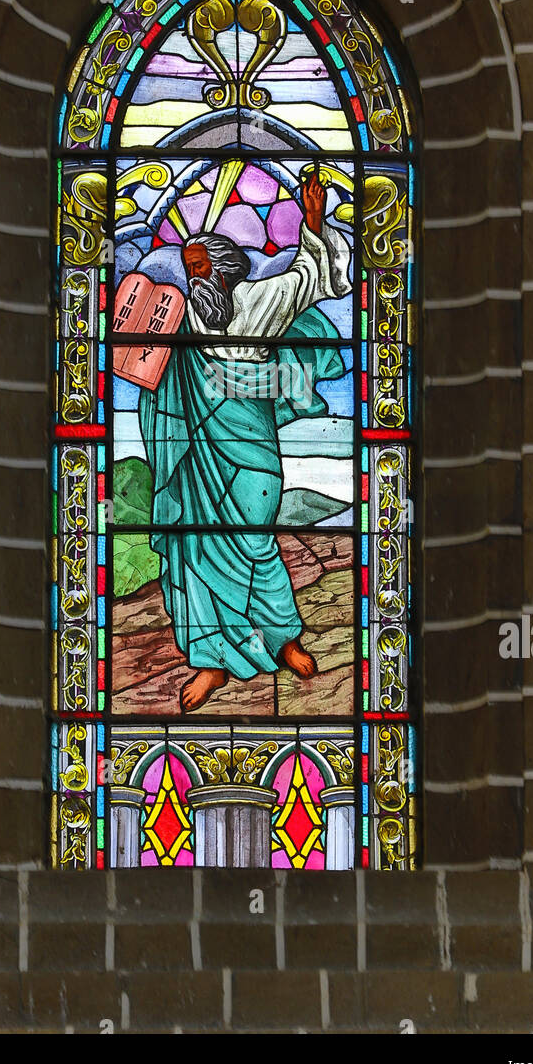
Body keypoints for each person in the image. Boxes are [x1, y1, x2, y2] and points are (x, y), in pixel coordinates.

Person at [138, 172, 351, 712]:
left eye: (199, 267)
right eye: (187, 271)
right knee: (197, 543)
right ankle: (211, 661)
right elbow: (148, 356)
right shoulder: (182, 316)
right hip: (199, 450)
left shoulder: (262, 299)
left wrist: (315, 222)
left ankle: (285, 639)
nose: (192, 279)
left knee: (255, 537)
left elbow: (311, 277)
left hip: (249, 441)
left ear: (223, 266)